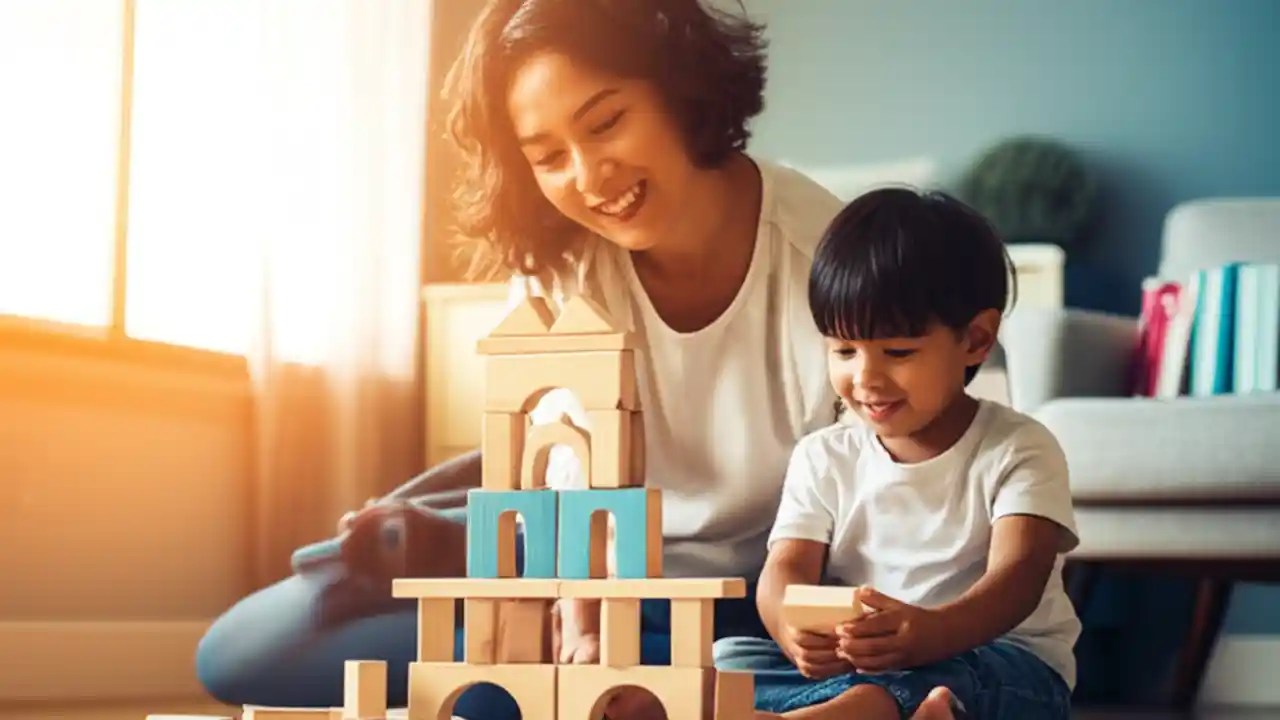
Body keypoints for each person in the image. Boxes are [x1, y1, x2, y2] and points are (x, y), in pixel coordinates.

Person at [196, 0, 847, 717]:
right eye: (548, 157)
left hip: (735, 604)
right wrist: (564, 593)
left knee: (497, 703)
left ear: (677, 86)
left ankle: (462, 552)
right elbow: (565, 477)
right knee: (239, 652)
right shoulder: (562, 265)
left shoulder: (830, 260)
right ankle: (459, 540)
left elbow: (878, 503)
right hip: (568, 561)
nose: (590, 178)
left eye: (606, 122)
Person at [713, 188, 1080, 720]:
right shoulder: (823, 456)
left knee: (956, 676)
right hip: (861, 666)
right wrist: (791, 629)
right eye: (843, 350)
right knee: (729, 657)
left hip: (993, 660)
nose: (865, 377)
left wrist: (933, 633)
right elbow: (784, 568)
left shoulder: (1019, 447)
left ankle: (858, 709)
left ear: (976, 339)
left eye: (898, 352)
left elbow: (1019, 579)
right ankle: (866, 708)